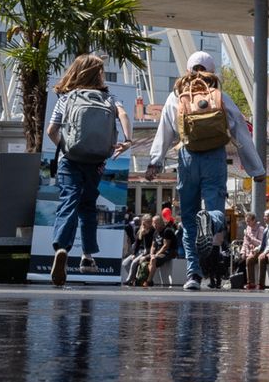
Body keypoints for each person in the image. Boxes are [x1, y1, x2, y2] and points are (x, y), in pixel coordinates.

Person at [146, 51, 266, 291]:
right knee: (215, 209)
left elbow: (165, 131)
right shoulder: (219, 96)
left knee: (189, 220)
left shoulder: (177, 96)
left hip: (187, 158)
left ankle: (193, 275)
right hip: (214, 157)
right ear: (212, 70)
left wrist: (155, 161)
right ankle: (209, 222)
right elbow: (240, 130)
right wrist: (256, 169)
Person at [45, 53, 132, 288]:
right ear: (99, 74)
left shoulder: (68, 97)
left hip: (70, 159)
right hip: (96, 162)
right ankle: (88, 256)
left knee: (68, 201)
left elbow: (52, 130)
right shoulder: (109, 97)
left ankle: (62, 247)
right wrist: (127, 140)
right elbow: (123, 114)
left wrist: (66, 147)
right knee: (88, 207)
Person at [145, 212, 178, 288]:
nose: (155, 225)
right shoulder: (156, 232)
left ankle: (149, 281)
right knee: (143, 259)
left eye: (156, 223)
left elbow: (166, 246)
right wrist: (151, 253)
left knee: (153, 259)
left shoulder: (167, 231)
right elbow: (153, 245)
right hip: (160, 252)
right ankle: (139, 279)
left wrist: (155, 255)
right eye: (154, 223)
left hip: (170, 252)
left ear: (161, 223)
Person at [121, 213, 154, 286]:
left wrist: (145, 235)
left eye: (150, 222)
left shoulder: (152, 231)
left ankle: (129, 280)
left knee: (134, 263)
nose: (150, 223)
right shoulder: (139, 230)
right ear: (143, 222)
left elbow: (149, 245)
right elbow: (136, 244)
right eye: (148, 222)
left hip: (146, 251)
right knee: (125, 263)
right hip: (139, 251)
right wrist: (133, 254)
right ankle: (134, 279)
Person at [238, 212, 264, 291]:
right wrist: (243, 252)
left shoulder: (260, 229)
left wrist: (251, 239)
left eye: (248, 221)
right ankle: (241, 282)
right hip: (248, 251)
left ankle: (250, 282)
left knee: (248, 261)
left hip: (257, 251)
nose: (247, 223)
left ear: (254, 220)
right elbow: (245, 243)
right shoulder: (248, 228)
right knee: (239, 262)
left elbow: (261, 243)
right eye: (246, 221)